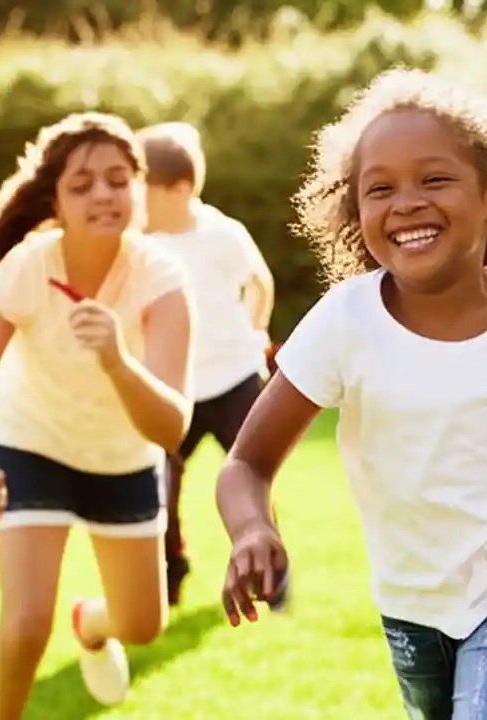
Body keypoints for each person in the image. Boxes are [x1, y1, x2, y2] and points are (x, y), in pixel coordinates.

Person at [213, 68, 487, 720]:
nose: (406, 201)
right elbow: (247, 463)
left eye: (434, 179)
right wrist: (250, 530)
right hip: (411, 599)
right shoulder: (343, 324)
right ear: (355, 214)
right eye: (379, 188)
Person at [0, 112, 193, 717]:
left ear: (137, 187)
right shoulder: (26, 267)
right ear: (54, 201)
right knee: (25, 626)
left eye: (116, 179)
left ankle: (91, 621)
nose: (102, 194)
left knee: (143, 626)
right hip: (30, 445)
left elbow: (171, 428)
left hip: (121, 458)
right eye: (81, 185)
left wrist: (117, 360)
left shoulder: (160, 277)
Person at [137, 121, 278, 607]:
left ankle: (269, 578)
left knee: (252, 478)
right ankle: (170, 575)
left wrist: (256, 332)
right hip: (174, 389)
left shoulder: (221, 233)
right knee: (159, 490)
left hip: (236, 378)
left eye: (142, 185)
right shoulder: (139, 243)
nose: (133, 195)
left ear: (178, 189)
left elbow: (259, 282)